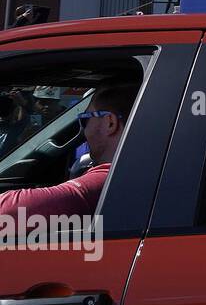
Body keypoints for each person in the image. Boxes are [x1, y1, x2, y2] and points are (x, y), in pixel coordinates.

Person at [0, 83, 136, 219]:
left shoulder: (109, 181)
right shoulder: (141, 169)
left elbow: (7, 210)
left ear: (110, 123)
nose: (83, 131)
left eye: (85, 120)